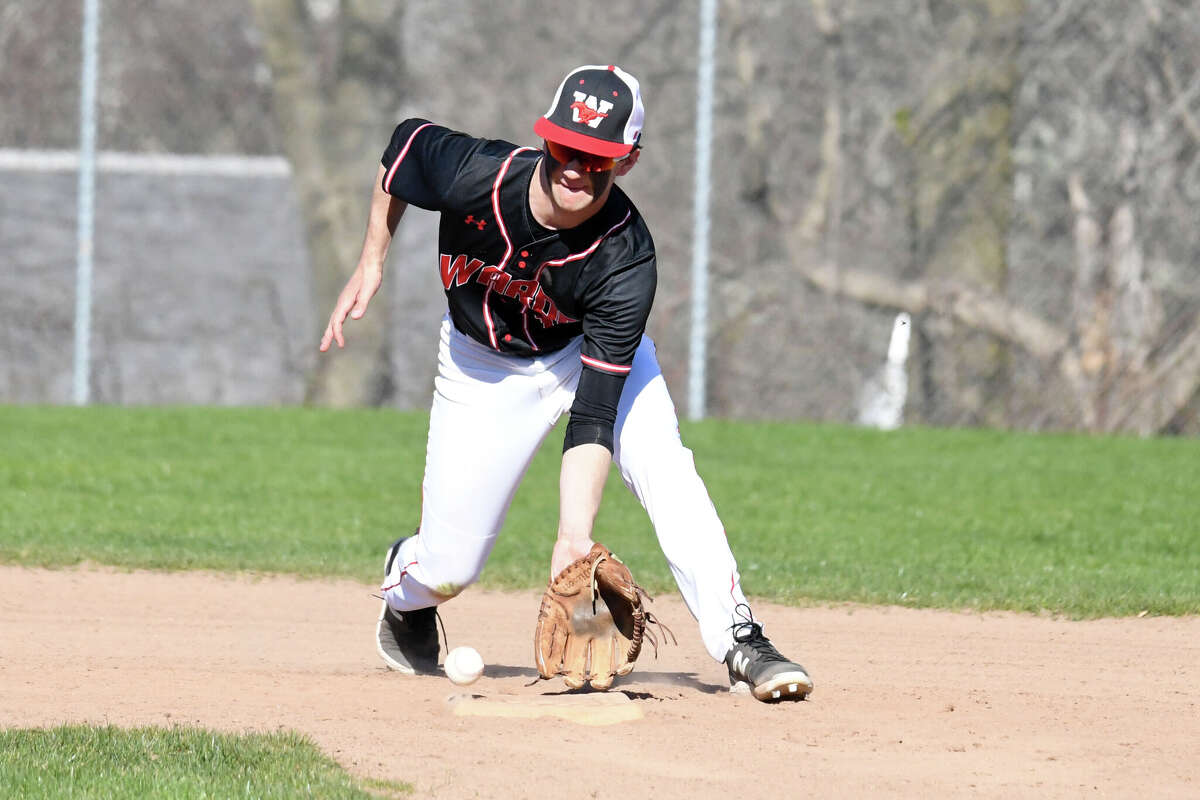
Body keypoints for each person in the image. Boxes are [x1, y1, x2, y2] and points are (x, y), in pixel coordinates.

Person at [319, 64, 813, 702]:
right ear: (546, 138)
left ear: (628, 160)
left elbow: (594, 412)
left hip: (585, 352)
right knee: (447, 568)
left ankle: (741, 638)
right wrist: (372, 259)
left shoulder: (625, 258)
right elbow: (402, 151)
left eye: (598, 157)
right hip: (483, 365)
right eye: (565, 148)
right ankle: (408, 590)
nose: (577, 168)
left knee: (667, 469)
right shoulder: (477, 175)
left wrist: (572, 539)